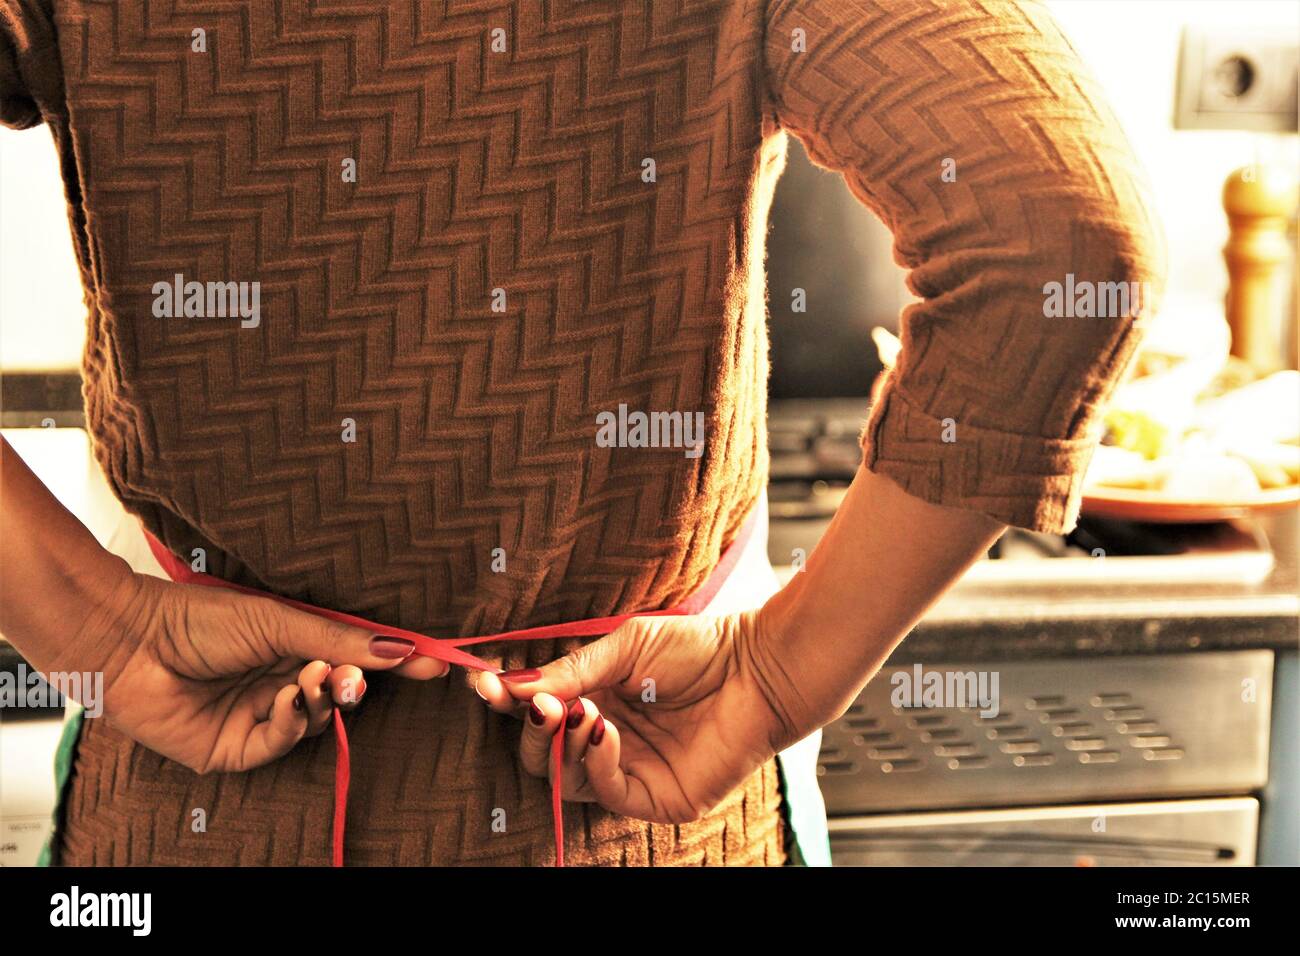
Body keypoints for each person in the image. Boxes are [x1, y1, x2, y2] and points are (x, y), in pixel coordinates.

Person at [0, 0, 1162, 866]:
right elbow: (1058, 242)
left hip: (181, 818)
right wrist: (772, 675)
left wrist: (91, 627)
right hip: (631, 803)